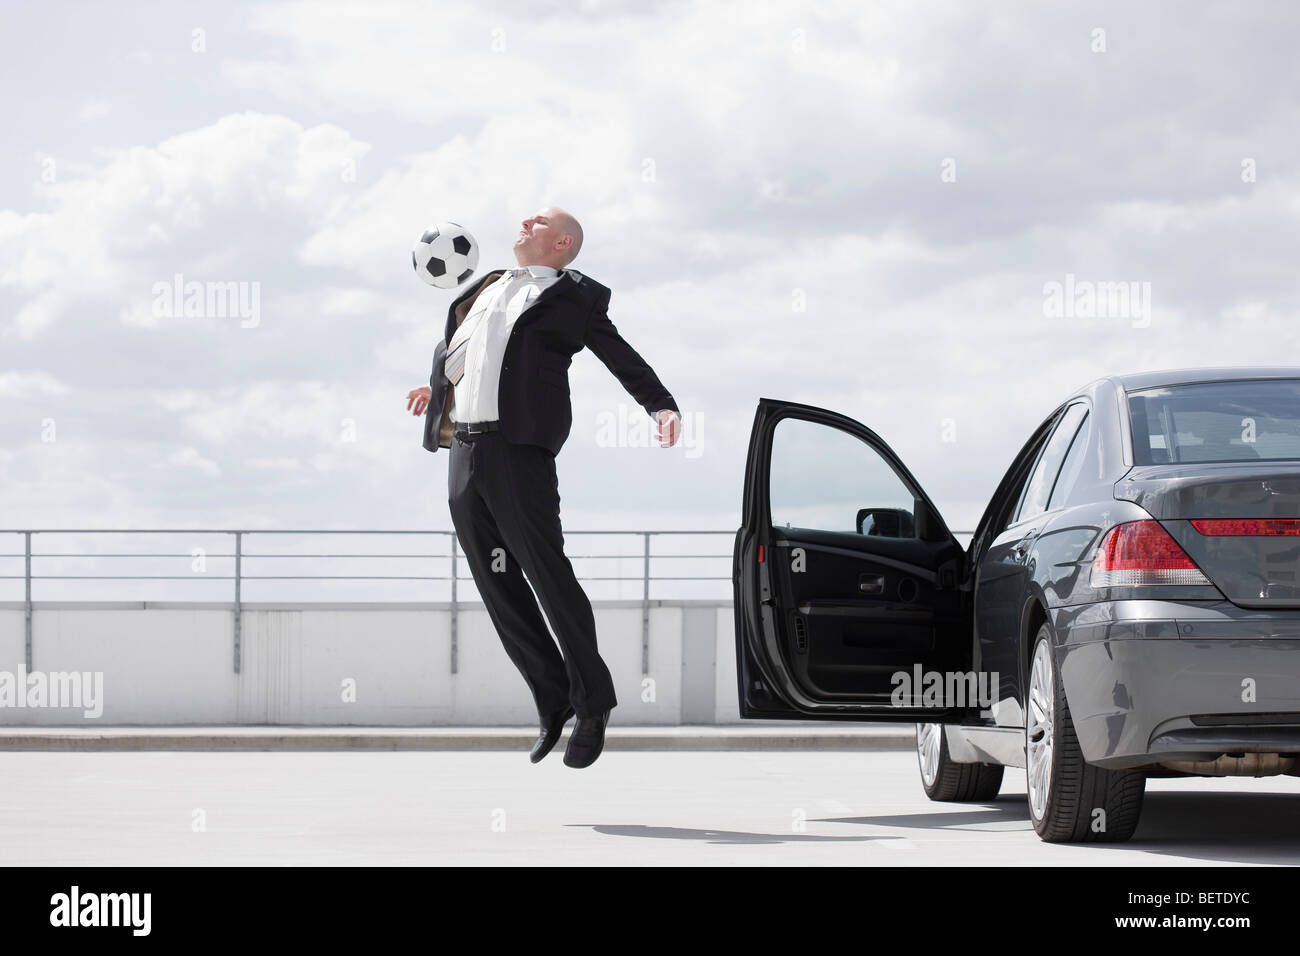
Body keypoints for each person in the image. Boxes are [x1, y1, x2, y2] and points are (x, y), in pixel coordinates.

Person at [407, 206, 680, 768]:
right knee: (496, 585)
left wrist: (659, 404)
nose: (524, 220)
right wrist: (433, 388)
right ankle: (553, 699)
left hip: (518, 452)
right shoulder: (483, 289)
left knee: (547, 574)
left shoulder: (572, 300)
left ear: (561, 243)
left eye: (539, 220)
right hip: (465, 452)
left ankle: (594, 702)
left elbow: (618, 355)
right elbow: (469, 356)